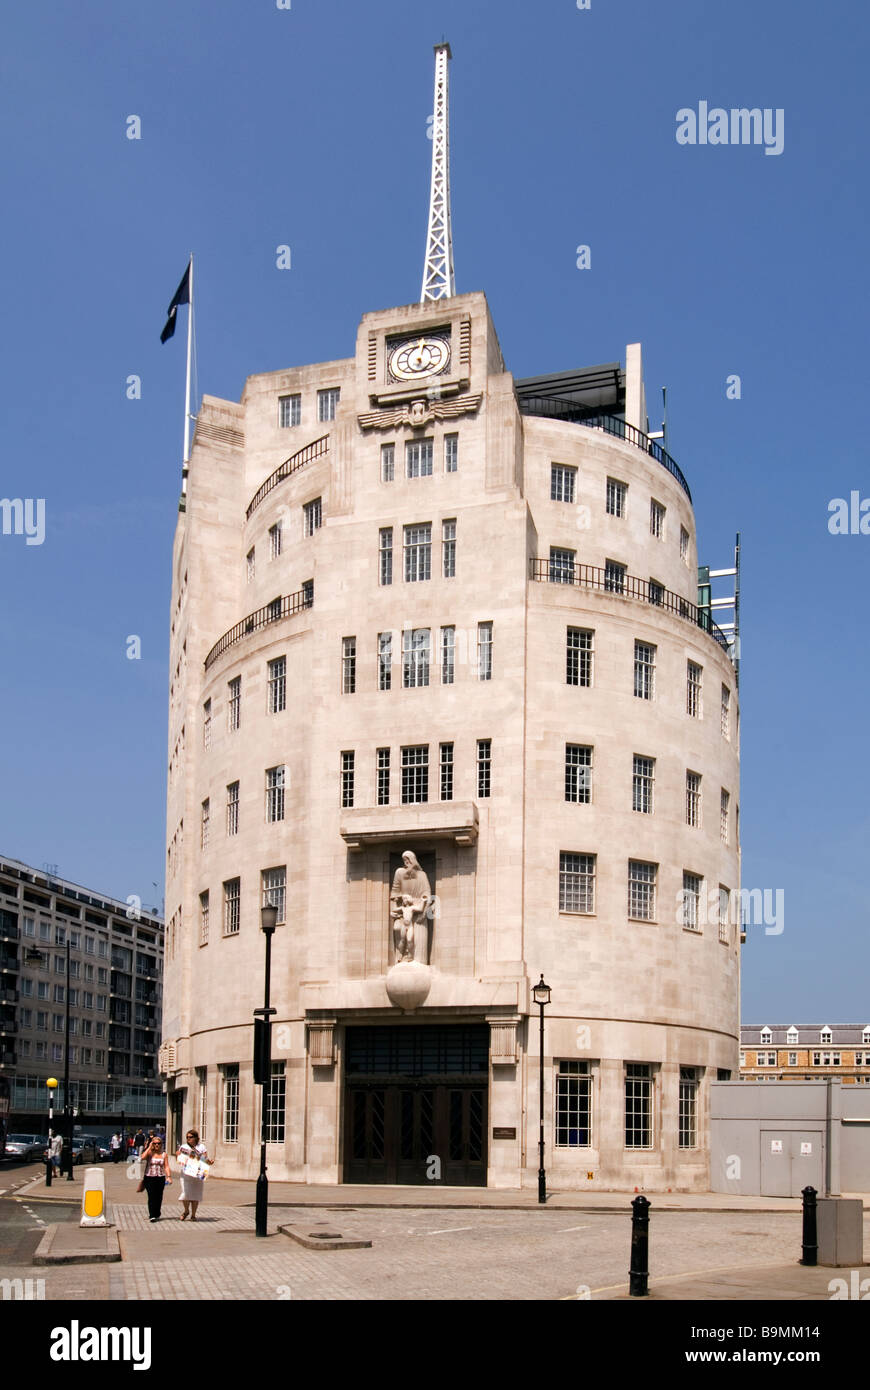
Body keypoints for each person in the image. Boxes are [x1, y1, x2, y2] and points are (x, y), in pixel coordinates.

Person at [175, 1129, 214, 1221]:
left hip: (197, 1174)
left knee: (195, 1194)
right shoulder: (183, 1147)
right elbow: (179, 1159)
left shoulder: (201, 1147)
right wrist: (177, 1155)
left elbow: (205, 1159)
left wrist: (209, 1162)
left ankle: (193, 1215)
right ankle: (186, 1211)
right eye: (187, 1137)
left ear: (196, 1138)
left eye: (190, 1137)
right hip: (186, 1174)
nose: (188, 1139)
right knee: (185, 1193)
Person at [140, 1135, 172, 1222]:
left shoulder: (164, 1154)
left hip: (160, 1177)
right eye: (155, 1143)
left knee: (159, 1197)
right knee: (151, 1196)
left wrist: (169, 1177)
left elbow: (166, 1166)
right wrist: (149, 1147)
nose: (157, 1145)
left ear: (161, 1144)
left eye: (159, 1143)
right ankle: (152, 1215)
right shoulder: (150, 1153)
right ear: (152, 1144)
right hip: (149, 1177)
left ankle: (157, 1213)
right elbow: (142, 1158)